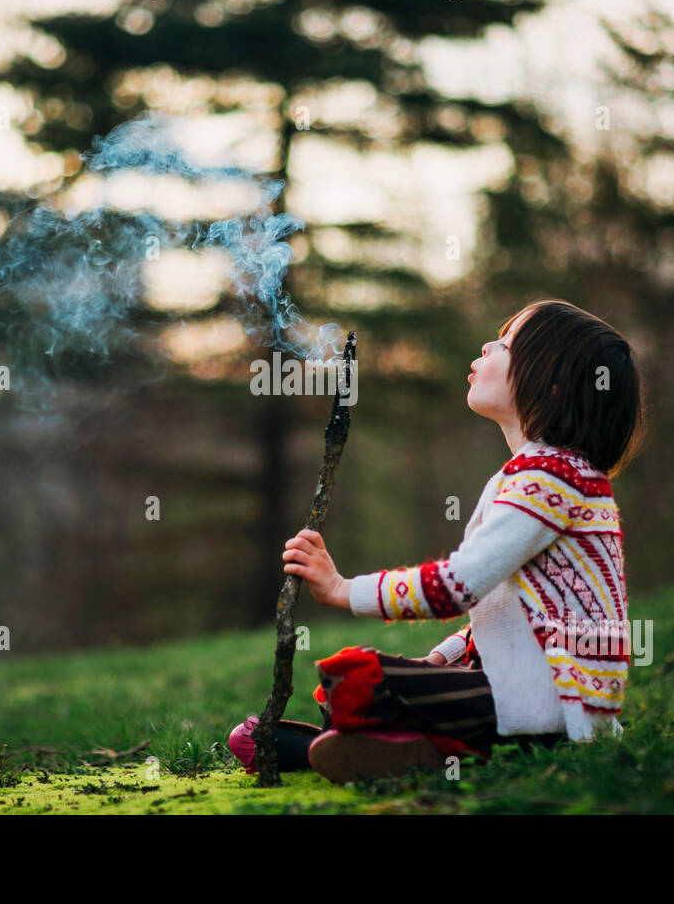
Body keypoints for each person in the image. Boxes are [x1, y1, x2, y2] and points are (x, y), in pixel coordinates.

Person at [229, 298, 646, 784]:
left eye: (507, 344)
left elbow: (456, 585)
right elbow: (521, 611)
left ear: (551, 383)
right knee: (353, 685)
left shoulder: (550, 480)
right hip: (540, 704)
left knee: (358, 680)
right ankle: (374, 747)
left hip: (543, 716)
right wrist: (445, 656)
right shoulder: (554, 476)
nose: (488, 345)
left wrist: (342, 589)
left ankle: (391, 750)